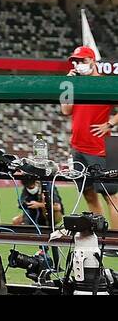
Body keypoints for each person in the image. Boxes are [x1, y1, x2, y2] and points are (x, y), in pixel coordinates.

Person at [60, 45, 118, 223]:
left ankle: (115, 244)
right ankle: (100, 236)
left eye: (83, 60)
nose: (79, 64)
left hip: (102, 147)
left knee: (112, 197)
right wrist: (69, 86)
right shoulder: (72, 84)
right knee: (88, 194)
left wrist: (109, 124)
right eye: (75, 61)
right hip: (78, 147)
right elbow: (66, 110)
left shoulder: (107, 83)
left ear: (92, 61)